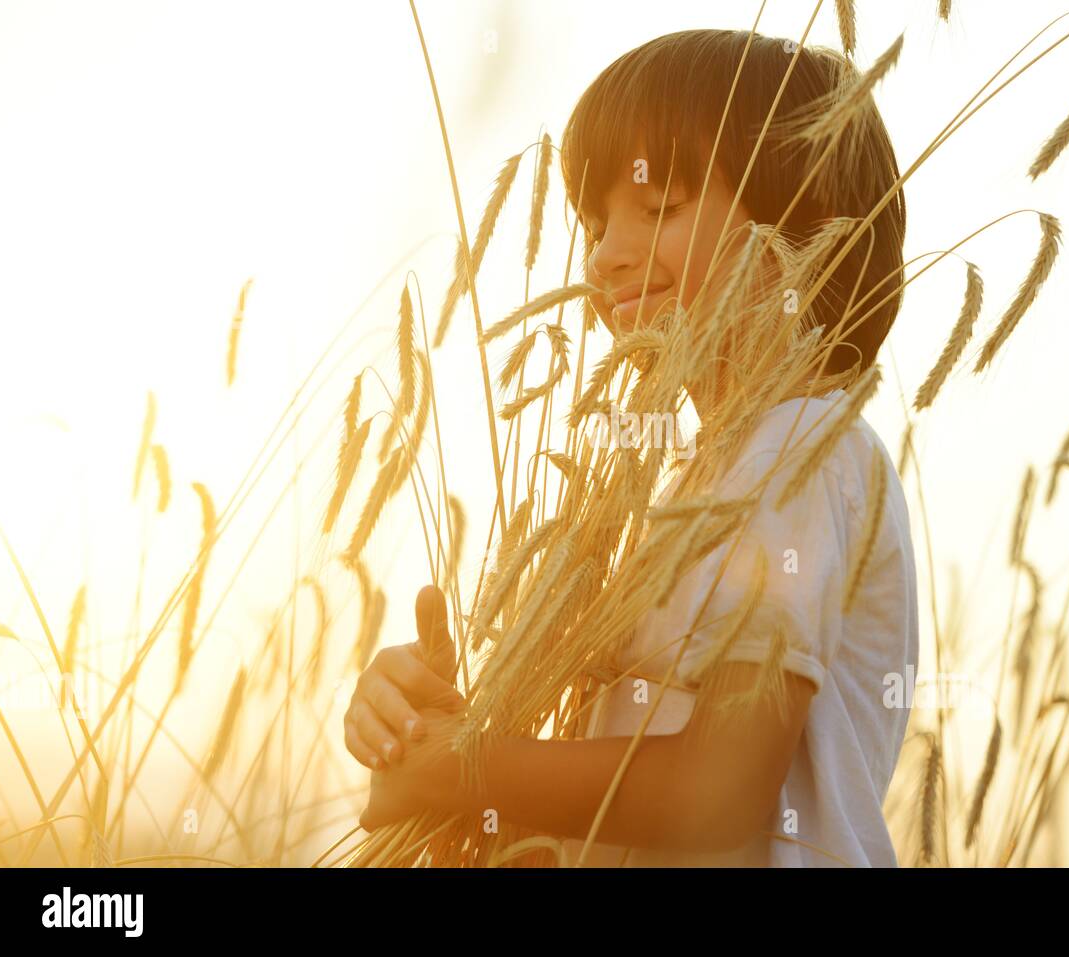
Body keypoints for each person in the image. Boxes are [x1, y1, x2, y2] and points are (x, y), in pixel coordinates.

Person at [343, 28, 918, 867]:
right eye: (593, 220)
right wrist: (436, 748)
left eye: (661, 207)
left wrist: (465, 771)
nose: (607, 255)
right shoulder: (690, 492)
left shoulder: (799, 445)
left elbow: (716, 791)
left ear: (803, 232)